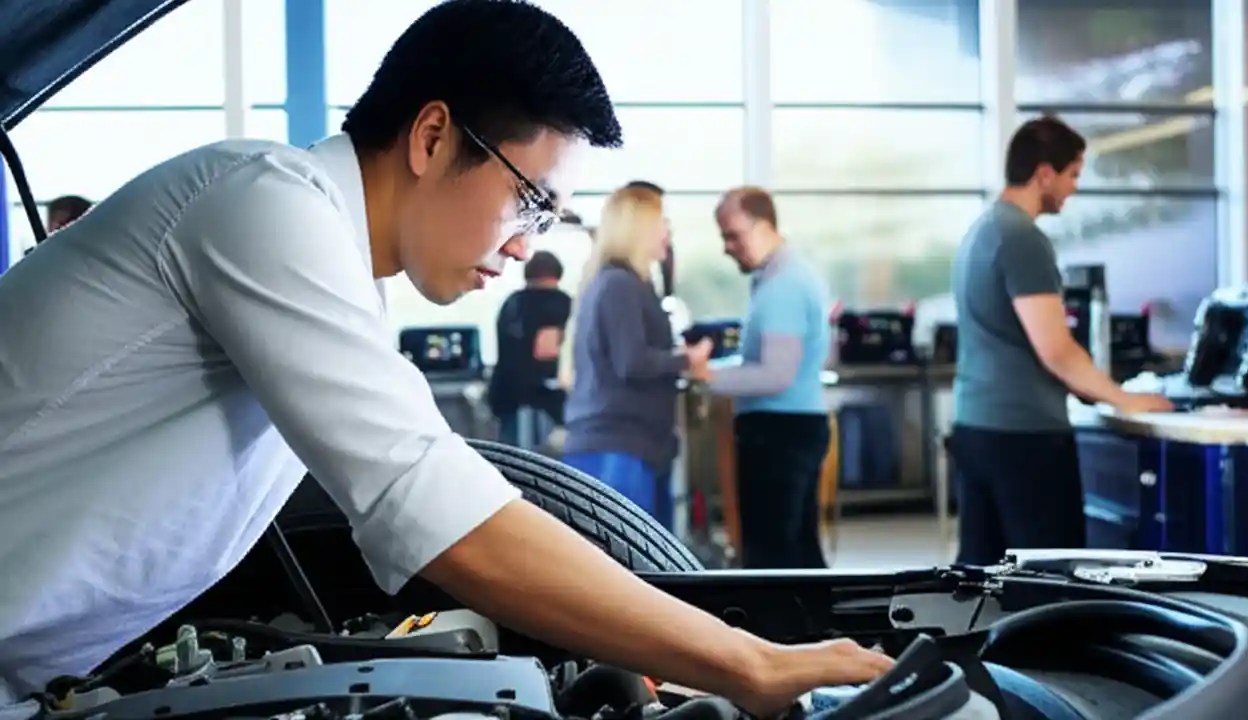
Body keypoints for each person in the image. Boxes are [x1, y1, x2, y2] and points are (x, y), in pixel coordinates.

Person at [0, 0, 891, 714]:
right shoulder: (264, 201)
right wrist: (749, 663)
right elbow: (436, 508)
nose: (523, 246)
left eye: (548, 221)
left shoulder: (332, 264)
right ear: (431, 137)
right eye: (529, 200)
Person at [949, 115, 1174, 567]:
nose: (1073, 189)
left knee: (981, 574)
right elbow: (1056, 348)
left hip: (976, 426)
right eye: (1072, 175)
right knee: (1050, 577)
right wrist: (1123, 399)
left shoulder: (981, 230)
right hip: (1024, 436)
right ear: (1043, 174)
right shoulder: (1022, 239)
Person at [560, 185, 711, 529]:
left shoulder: (627, 284)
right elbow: (632, 362)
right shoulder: (619, 285)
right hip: (618, 447)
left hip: (633, 444)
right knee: (632, 567)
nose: (667, 232)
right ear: (640, 228)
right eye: (662, 222)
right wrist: (687, 360)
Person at [703, 186, 832, 570]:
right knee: (797, 551)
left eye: (732, 235)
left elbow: (776, 375)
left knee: (773, 557)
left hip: (780, 435)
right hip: (791, 429)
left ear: (762, 226)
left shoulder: (784, 286)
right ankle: (813, 627)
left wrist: (707, 376)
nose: (727, 247)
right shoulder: (775, 277)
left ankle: (786, 631)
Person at [487, 250, 572, 448]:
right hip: (542, 403)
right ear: (558, 274)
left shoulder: (511, 303)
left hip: (506, 395)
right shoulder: (561, 304)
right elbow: (547, 350)